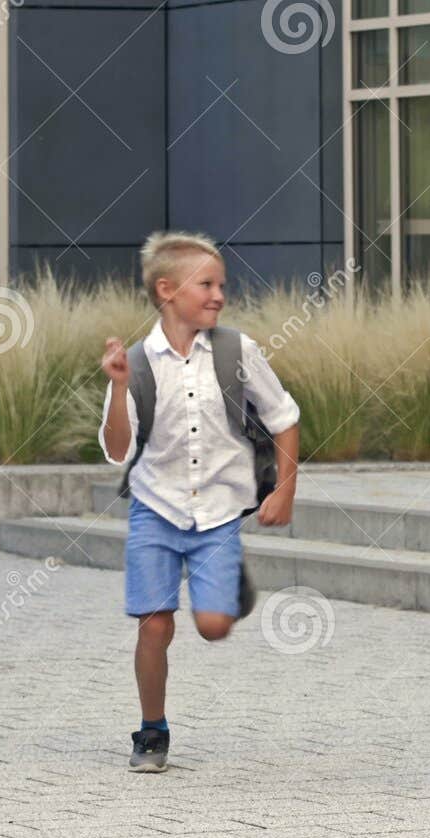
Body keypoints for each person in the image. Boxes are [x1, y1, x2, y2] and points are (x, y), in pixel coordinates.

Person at [99, 231, 301, 772]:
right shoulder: (137, 362)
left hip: (218, 512)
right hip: (155, 509)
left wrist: (285, 488)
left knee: (213, 626)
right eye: (206, 285)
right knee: (154, 625)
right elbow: (117, 451)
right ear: (167, 290)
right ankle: (152, 730)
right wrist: (117, 388)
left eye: (222, 286)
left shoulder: (238, 351)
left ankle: (227, 585)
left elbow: (284, 417)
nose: (219, 295)